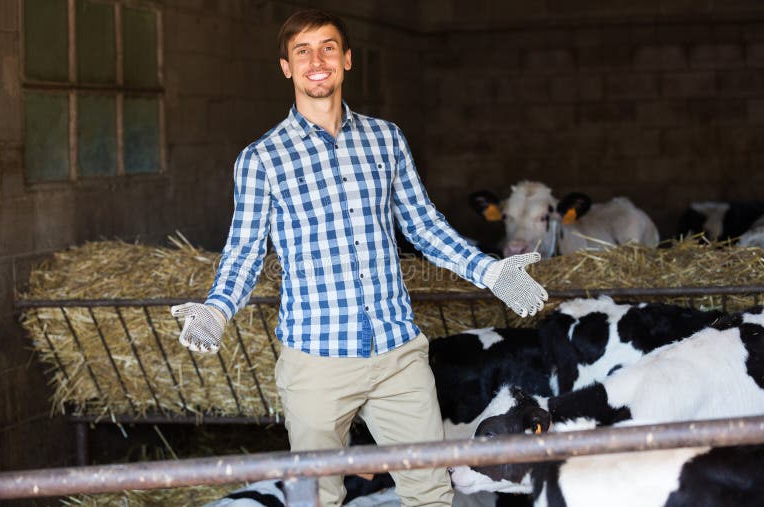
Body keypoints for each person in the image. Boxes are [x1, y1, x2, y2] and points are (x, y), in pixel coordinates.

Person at [171, 9, 547, 507]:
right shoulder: (262, 159)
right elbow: (244, 251)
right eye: (302, 51)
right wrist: (217, 310)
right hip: (316, 360)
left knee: (431, 491)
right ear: (286, 67)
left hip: (397, 353)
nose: (316, 61)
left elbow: (422, 224)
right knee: (318, 497)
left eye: (327, 48)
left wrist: (490, 270)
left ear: (347, 59)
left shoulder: (385, 139)